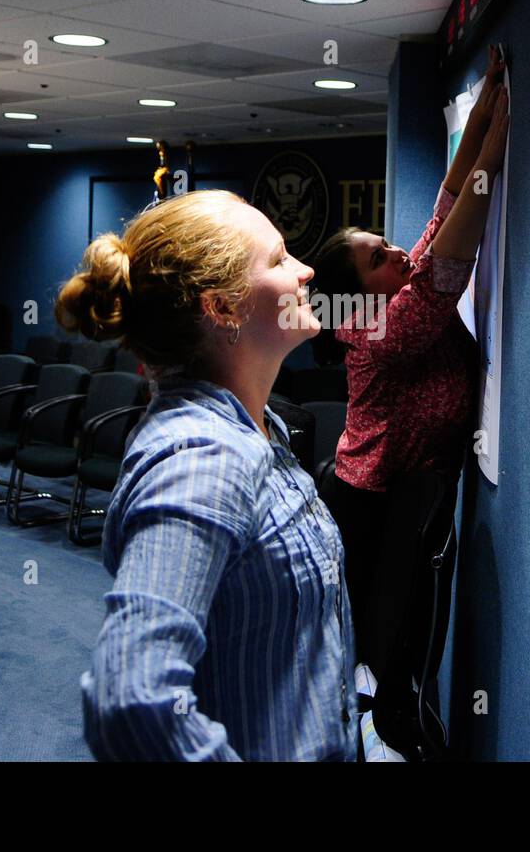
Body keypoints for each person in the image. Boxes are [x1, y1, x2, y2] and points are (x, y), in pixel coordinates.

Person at [56, 190, 357, 761]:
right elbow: (131, 700)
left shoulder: (258, 429)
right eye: (279, 259)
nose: (306, 269)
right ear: (222, 309)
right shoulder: (203, 458)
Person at [310, 46, 509, 658]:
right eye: (378, 258)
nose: (397, 253)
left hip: (399, 488)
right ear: (358, 292)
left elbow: (444, 208)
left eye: (386, 243)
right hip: (374, 498)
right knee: (384, 633)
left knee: (400, 626)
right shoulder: (381, 329)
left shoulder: (395, 284)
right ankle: (375, 732)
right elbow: (451, 261)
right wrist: (496, 150)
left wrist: (484, 111)